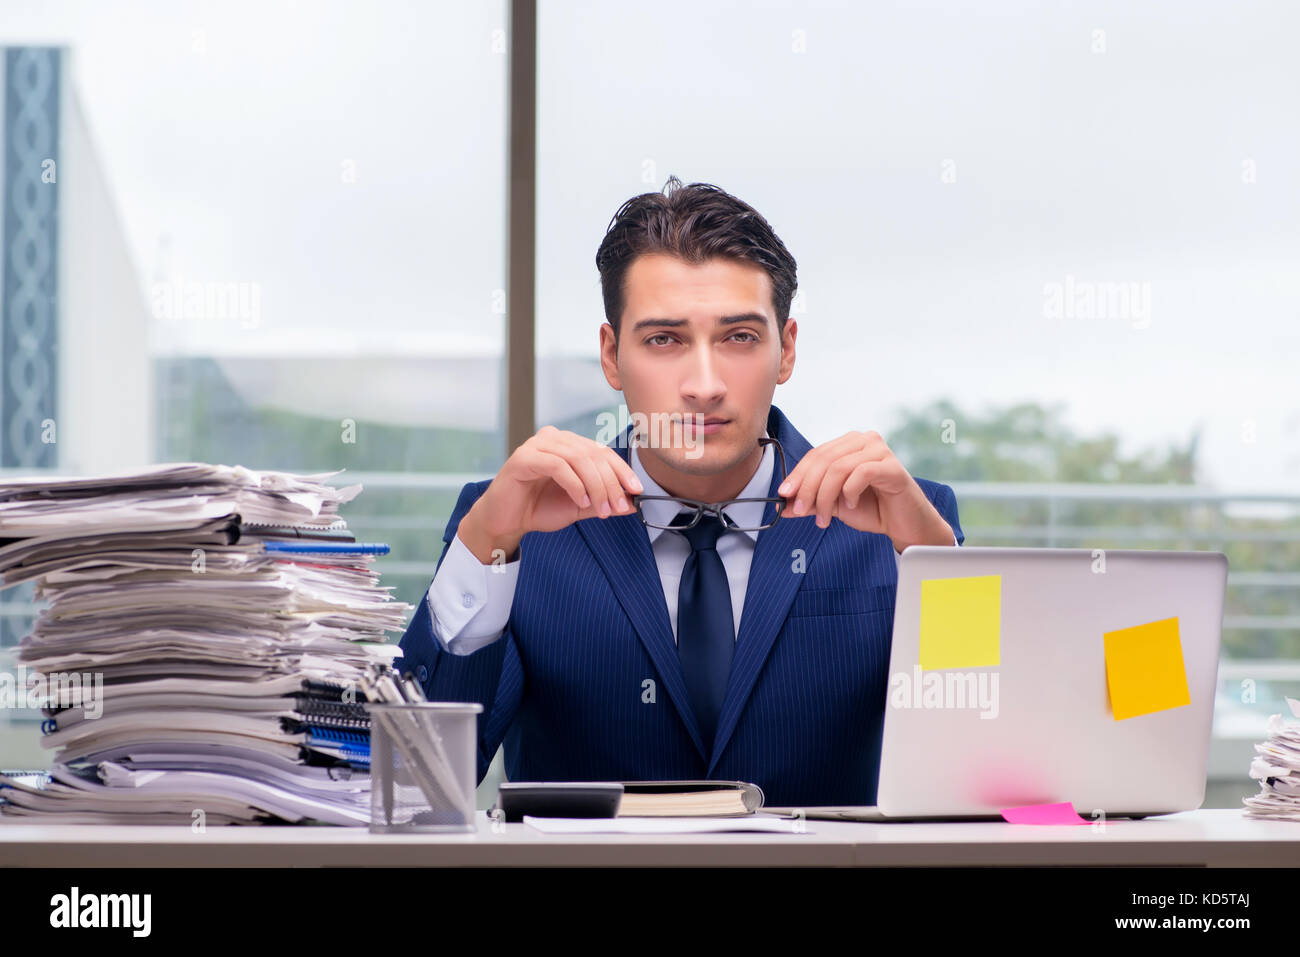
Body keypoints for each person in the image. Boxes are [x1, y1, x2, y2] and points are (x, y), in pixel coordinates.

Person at [396, 177, 963, 806]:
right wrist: (486, 546)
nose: (703, 384)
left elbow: (980, 772)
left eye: (739, 338)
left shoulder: (905, 518)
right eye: (664, 339)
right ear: (612, 357)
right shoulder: (511, 524)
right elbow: (413, 783)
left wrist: (934, 570)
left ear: (787, 350)